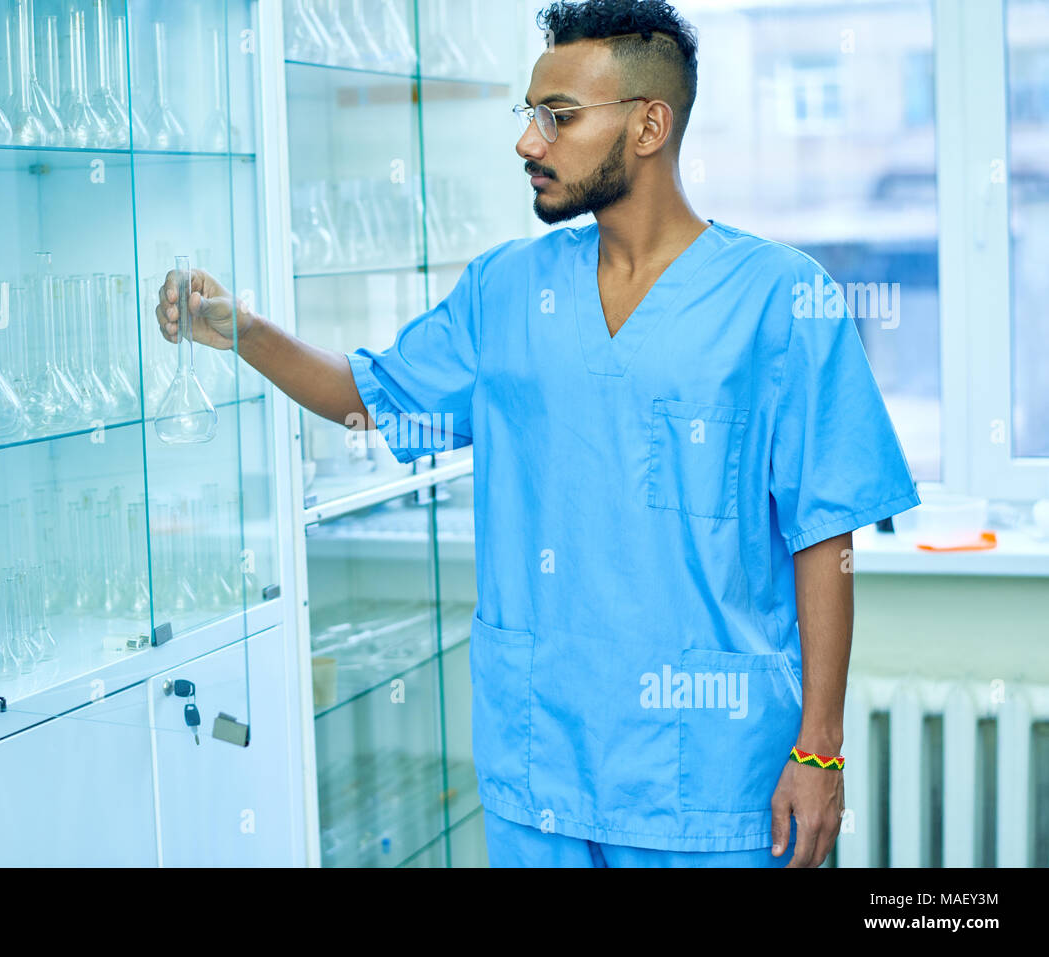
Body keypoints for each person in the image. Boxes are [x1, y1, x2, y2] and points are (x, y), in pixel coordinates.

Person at [156, 0, 920, 868]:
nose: (529, 141)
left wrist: (820, 747)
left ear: (648, 125)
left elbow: (826, 530)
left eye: (557, 116)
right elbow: (369, 395)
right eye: (529, 114)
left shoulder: (780, 300)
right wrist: (244, 331)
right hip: (541, 769)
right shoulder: (507, 293)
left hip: (708, 780)